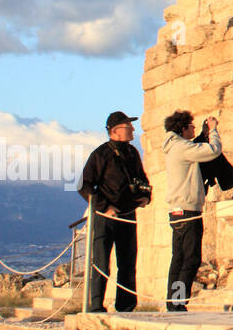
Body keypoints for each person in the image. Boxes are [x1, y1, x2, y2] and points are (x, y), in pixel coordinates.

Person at [78, 112, 151, 313]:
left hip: (128, 215)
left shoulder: (133, 153)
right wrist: (104, 207)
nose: (133, 129)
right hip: (105, 217)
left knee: (128, 263)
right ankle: (95, 306)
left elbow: (142, 179)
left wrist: (145, 196)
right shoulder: (100, 154)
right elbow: (84, 185)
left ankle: (126, 306)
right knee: (101, 263)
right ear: (116, 130)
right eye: (129, 125)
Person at [162, 112, 222, 311]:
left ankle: (174, 302)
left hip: (177, 210)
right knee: (191, 258)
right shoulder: (181, 147)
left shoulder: (175, 146)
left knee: (178, 259)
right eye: (192, 126)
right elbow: (213, 150)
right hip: (188, 210)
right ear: (183, 128)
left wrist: (202, 134)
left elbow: (195, 147)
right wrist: (213, 131)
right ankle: (178, 302)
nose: (194, 129)